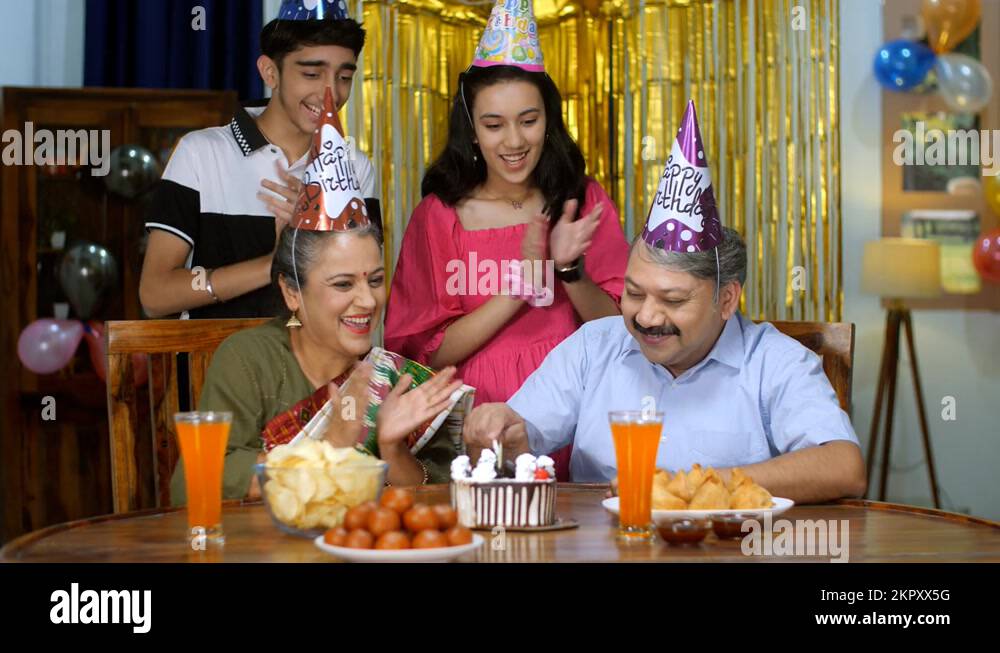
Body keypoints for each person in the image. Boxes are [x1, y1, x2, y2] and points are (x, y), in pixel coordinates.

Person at [463, 101, 867, 503]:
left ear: (726, 299)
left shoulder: (775, 362)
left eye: (673, 300)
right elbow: (519, 435)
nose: (646, 315)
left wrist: (699, 485)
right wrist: (497, 431)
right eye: (634, 293)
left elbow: (843, 467)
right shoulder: (593, 347)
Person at [171, 90, 462, 504]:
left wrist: (391, 447)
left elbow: (439, 501)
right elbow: (195, 481)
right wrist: (330, 454)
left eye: (375, 280)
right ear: (292, 292)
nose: (366, 301)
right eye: (343, 285)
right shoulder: (248, 360)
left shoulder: (394, 380)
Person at [383, 0, 628, 479]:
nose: (513, 141)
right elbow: (428, 352)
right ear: (472, 131)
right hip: (475, 424)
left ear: (549, 120)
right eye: (494, 125)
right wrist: (519, 286)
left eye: (529, 120)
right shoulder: (440, 216)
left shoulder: (582, 199)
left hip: (577, 410)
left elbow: (621, 330)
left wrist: (567, 272)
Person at [140, 0, 380, 319]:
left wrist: (323, 230)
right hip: (215, 364)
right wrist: (273, 263)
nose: (330, 94)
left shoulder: (355, 166)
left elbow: (366, 291)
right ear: (270, 72)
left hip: (320, 366)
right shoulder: (200, 153)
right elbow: (155, 295)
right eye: (311, 73)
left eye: (344, 77)